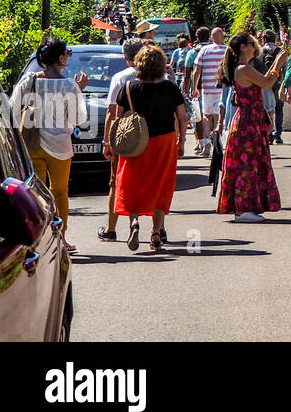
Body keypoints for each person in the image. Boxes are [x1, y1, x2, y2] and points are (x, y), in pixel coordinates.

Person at [11, 37, 87, 252]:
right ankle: (60, 239)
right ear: (60, 57)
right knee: (60, 192)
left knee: (35, 193)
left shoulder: (30, 80)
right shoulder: (69, 85)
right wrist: (78, 90)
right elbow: (79, 119)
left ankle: (37, 238)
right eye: (66, 54)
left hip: (32, 144)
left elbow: (12, 110)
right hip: (61, 146)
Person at [113, 44, 188, 252]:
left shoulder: (128, 88)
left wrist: (110, 144)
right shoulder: (170, 88)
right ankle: (156, 233)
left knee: (132, 182)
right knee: (160, 186)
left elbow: (117, 118)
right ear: (162, 65)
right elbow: (182, 117)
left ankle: (134, 222)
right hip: (164, 141)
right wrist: (181, 141)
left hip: (136, 141)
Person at [215, 33, 281, 223]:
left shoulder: (244, 68)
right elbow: (267, 82)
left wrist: (266, 118)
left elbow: (258, 94)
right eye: (252, 43)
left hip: (251, 118)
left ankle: (247, 207)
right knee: (247, 165)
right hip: (248, 122)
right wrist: (278, 61)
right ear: (243, 47)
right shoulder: (243, 69)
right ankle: (244, 209)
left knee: (251, 163)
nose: (256, 46)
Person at [98, 38, 145, 241]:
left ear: (126, 58)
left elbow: (111, 112)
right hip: (150, 135)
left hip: (124, 136)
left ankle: (111, 228)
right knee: (146, 181)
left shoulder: (120, 78)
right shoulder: (156, 76)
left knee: (116, 182)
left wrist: (107, 141)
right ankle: (157, 229)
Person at [190, 27, 228, 157]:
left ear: (211, 38)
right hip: (222, 88)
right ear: (223, 37)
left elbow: (197, 70)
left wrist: (195, 87)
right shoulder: (228, 51)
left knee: (206, 115)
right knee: (218, 115)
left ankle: (206, 142)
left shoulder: (204, 50)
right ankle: (217, 141)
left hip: (207, 88)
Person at [256, 30, 285, 145]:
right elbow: (285, 69)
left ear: (264, 39)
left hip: (265, 84)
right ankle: (278, 134)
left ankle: (268, 135)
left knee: (266, 109)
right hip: (278, 83)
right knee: (279, 109)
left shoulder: (260, 52)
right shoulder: (280, 52)